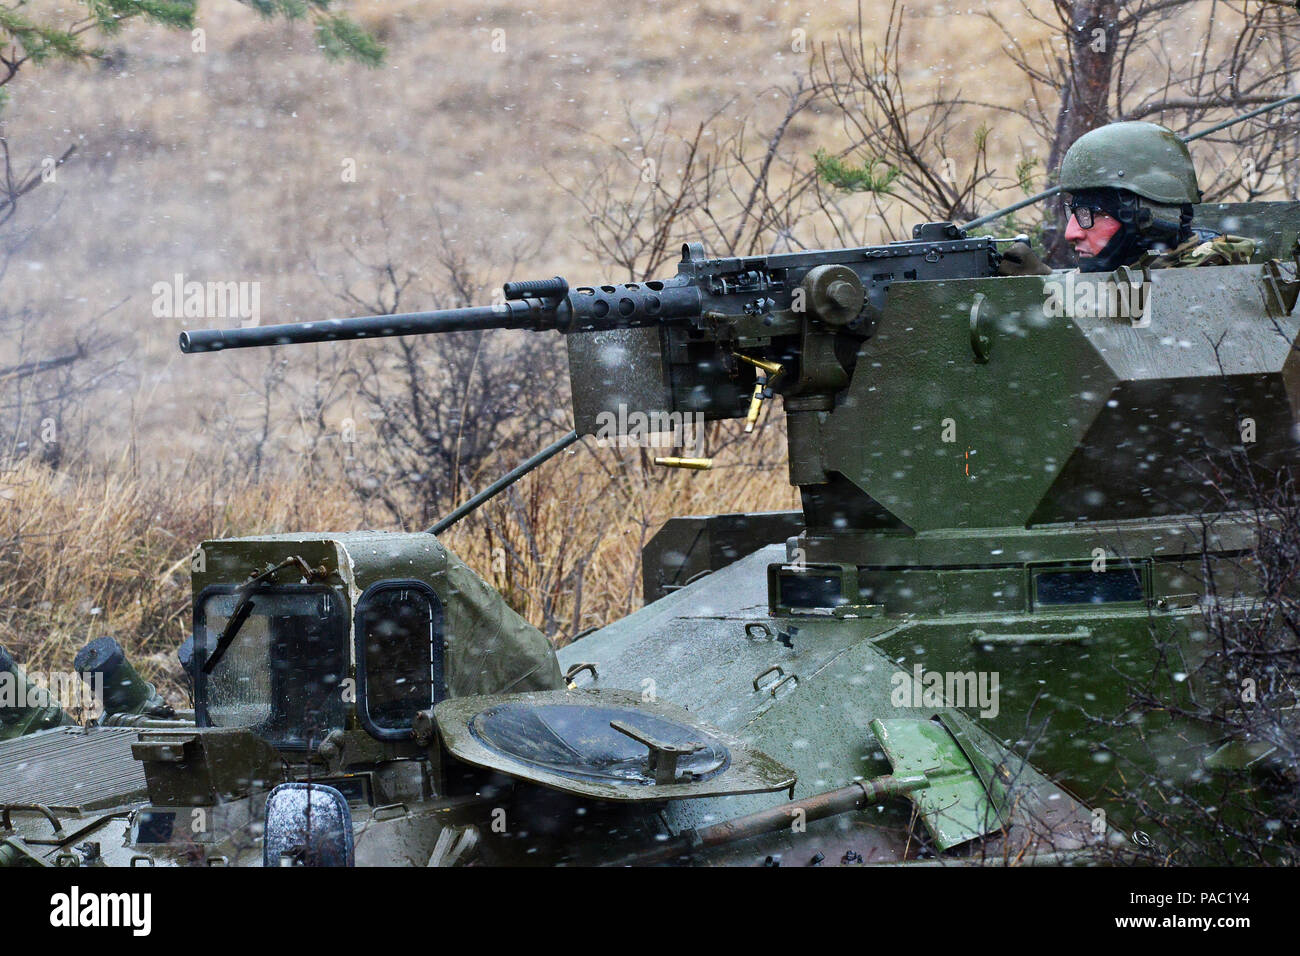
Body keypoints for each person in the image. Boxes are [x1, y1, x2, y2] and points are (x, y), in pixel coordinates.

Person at [998, 120, 1257, 275]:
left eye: (1090, 214)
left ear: (1148, 217)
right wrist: (1038, 286)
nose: (1071, 233)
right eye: (1073, 213)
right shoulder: (1129, 273)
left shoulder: (1211, 281)